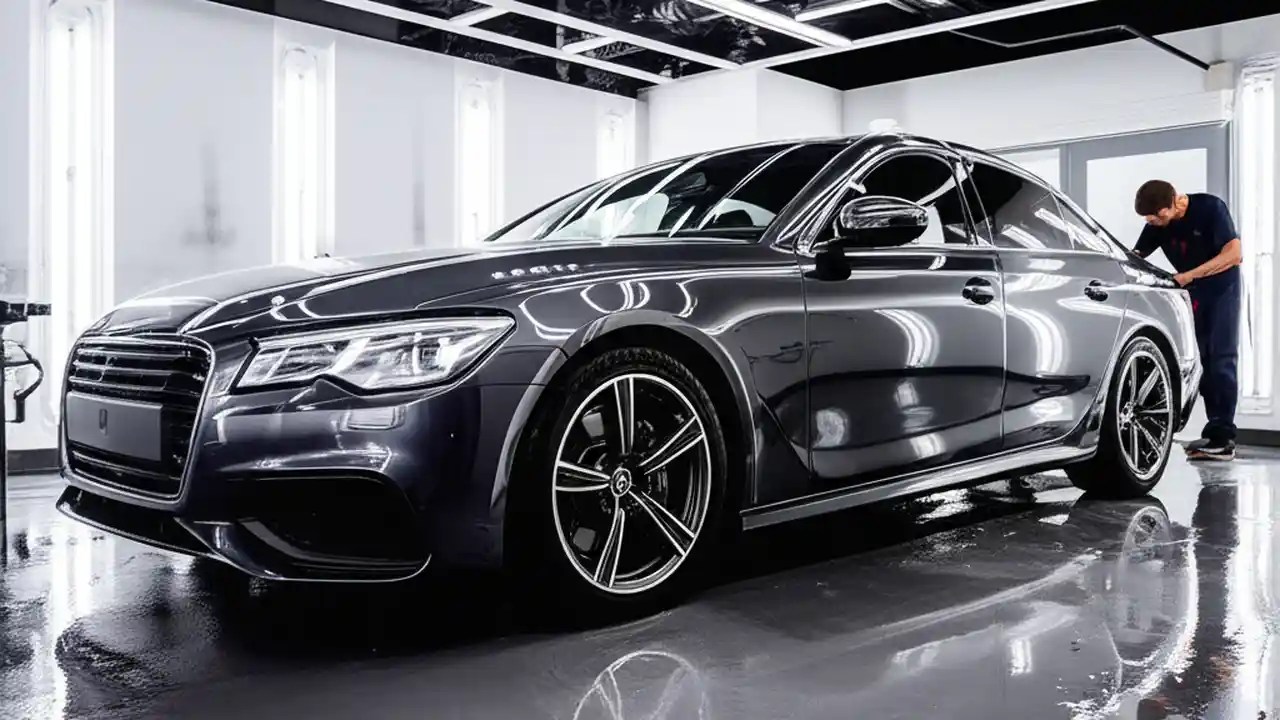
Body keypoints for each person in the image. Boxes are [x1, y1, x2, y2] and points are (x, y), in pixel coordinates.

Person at [1133, 180, 1242, 461]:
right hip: (1191, 292)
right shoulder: (1158, 223)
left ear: (1174, 203)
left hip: (1222, 289)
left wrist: (1188, 275)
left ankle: (1224, 438)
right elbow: (1136, 256)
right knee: (1202, 360)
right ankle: (1214, 432)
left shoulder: (1210, 208)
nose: (1154, 223)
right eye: (1149, 220)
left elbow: (1234, 254)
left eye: (1158, 216)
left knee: (1221, 358)